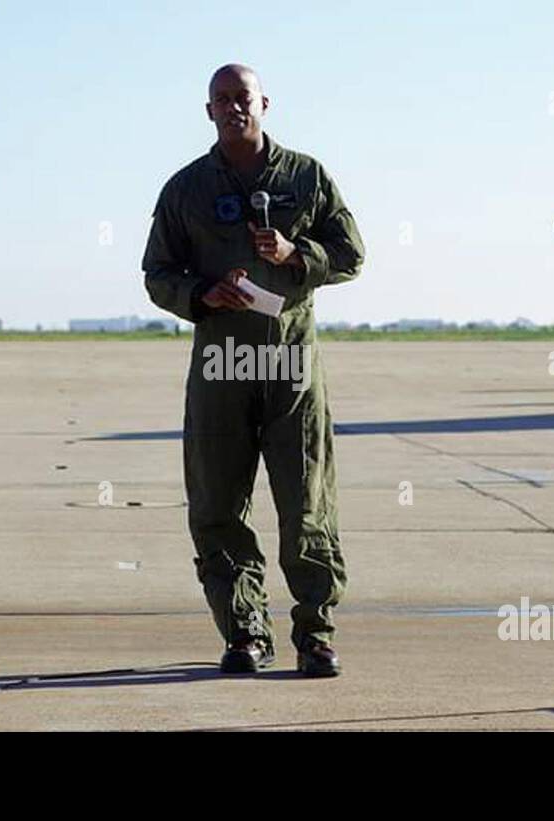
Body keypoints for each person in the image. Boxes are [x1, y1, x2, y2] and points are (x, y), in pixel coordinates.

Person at [142, 63, 365, 677]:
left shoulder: (306, 177)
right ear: (207, 110)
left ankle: (315, 633)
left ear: (265, 103)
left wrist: (299, 254)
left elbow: (351, 254)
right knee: (217, 504)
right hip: (221, 367)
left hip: (290, 367)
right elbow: (157, 273)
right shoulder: (184, 190)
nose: (234, 107)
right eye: (222, 100)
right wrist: (202, 294)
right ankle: (244, 631)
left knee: (306, 505)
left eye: (243, 98)